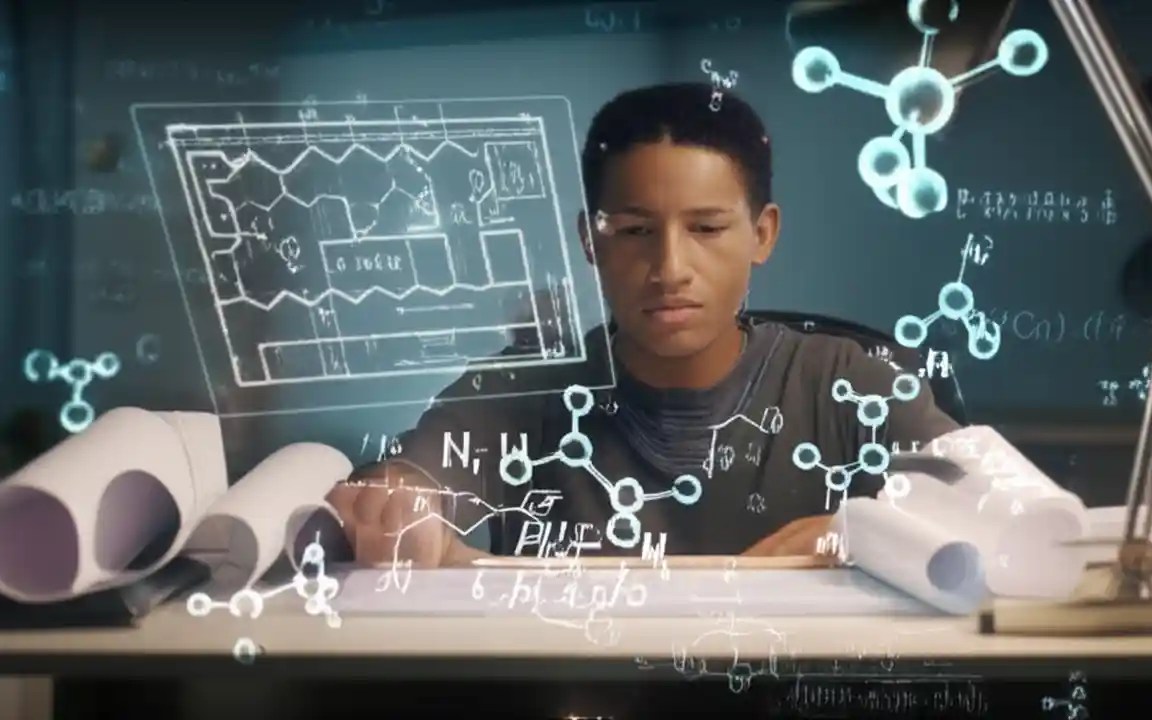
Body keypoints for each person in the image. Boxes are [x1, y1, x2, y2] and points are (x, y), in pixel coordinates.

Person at [326, 82, 959, 568]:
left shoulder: (848, 383)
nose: (670, 268)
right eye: (634, 232)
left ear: (762, 234)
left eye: (707, 229)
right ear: (589, 241)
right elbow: (414, 478)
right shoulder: (525, 393)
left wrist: (862, 531)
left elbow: (1001, 512)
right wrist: (396, 495)